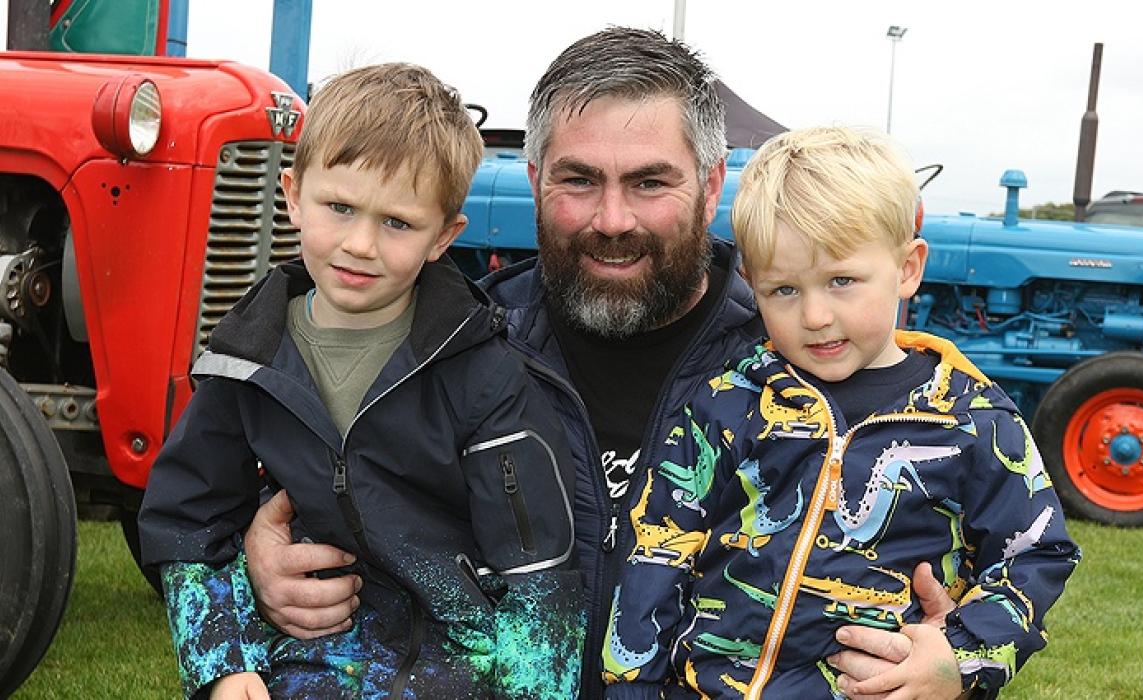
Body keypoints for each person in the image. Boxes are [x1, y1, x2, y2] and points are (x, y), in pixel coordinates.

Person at [239, 28, 960, 699]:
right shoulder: (441, 352)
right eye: (579, 180)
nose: (613, 220)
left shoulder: (808, 363)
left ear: (712, 186)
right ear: (534, 179)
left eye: (650, 183)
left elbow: (966, 564)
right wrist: (257, 576)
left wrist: (957, 657)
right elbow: (236, 504)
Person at [137, 62, 583, 699]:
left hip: (460, 677)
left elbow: (541, 576)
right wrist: (223, 667)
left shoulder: (484, 376)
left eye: (397, 222)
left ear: (443, 236)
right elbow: (187, 522)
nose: (361, 244)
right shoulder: (246, 363)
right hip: (305, 668)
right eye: (340, 208)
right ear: (293, 195)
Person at [602, 126, 1081, 699]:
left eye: (842, 281)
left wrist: (960, 658)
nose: (815, 316)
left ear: (907, 268)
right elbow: (659, 545)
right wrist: (631, 684)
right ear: (751, 284)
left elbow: (1035, 553)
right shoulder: (729, 400)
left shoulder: (975, 421)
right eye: (783, 290)